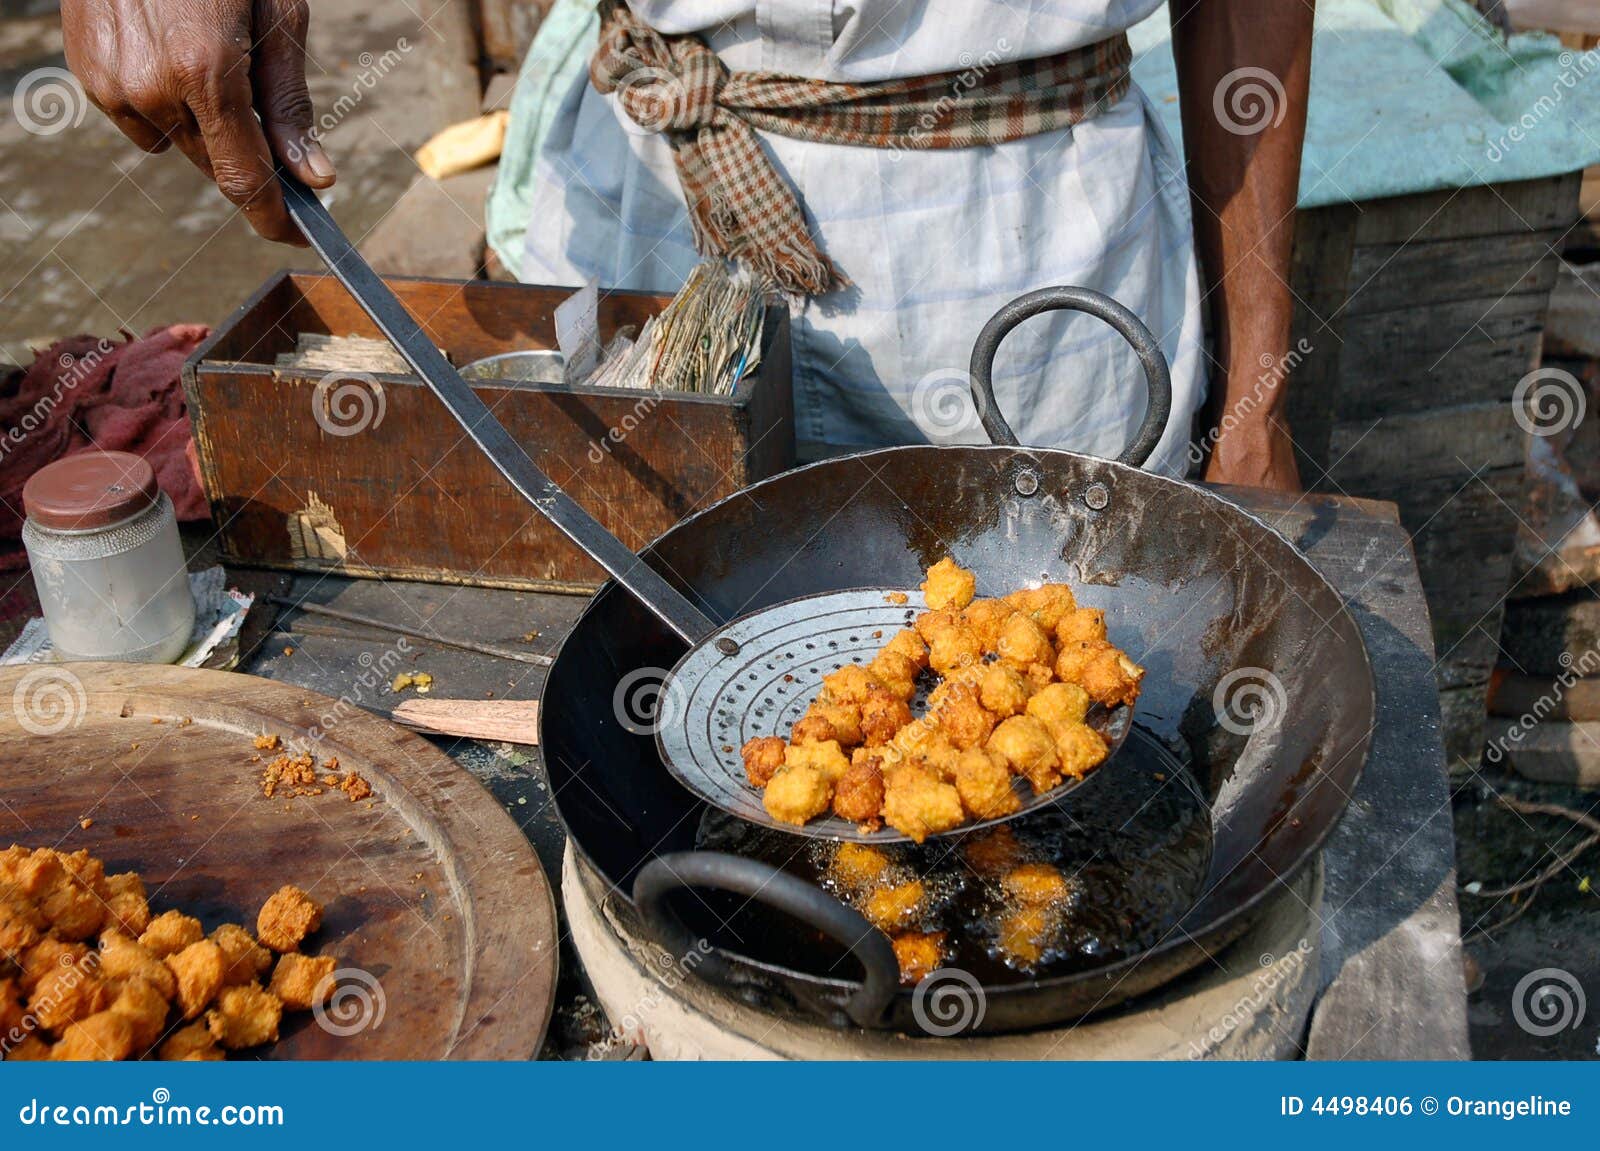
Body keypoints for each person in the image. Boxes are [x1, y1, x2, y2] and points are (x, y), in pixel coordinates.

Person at [61, 0, 1310, 489]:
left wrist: (1255, 398)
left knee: (1043, 705)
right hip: (647, 220)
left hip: (1026, 273)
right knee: (646, 721)